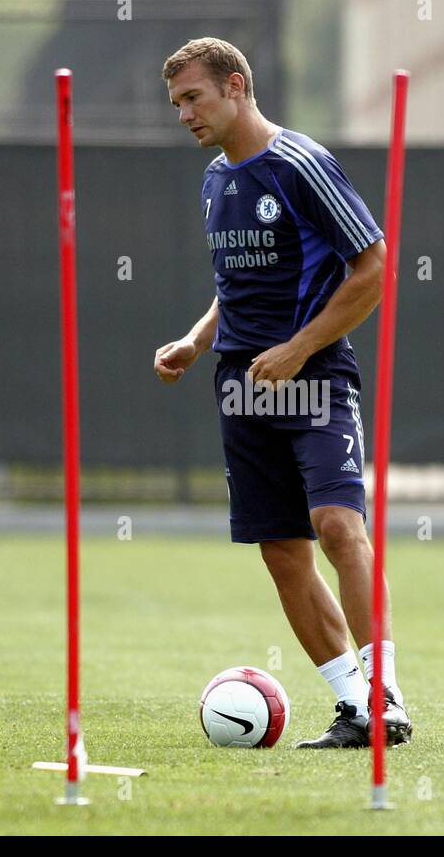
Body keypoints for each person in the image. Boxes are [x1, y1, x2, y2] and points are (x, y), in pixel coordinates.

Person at [154, 37, 410, 748]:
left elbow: (373, 268)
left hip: (316, 377)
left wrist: (300, 348)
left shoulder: (302, 165)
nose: (184, 114)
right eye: (177, 103)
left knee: (336, 525)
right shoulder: (214, 179)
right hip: (241, 386)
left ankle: (386, 690)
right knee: (281, 549)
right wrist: (196, 340)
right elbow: (233, 285)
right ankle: (354, 708)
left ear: (236, 86)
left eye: (193, 98)